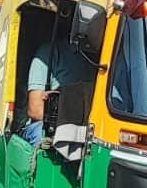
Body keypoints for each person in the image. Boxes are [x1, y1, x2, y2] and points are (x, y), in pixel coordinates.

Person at [21, 8, 95, 145]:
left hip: (91, 126)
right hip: (52, 124)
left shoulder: (105, 58)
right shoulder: (49, 53)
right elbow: (35, 110)